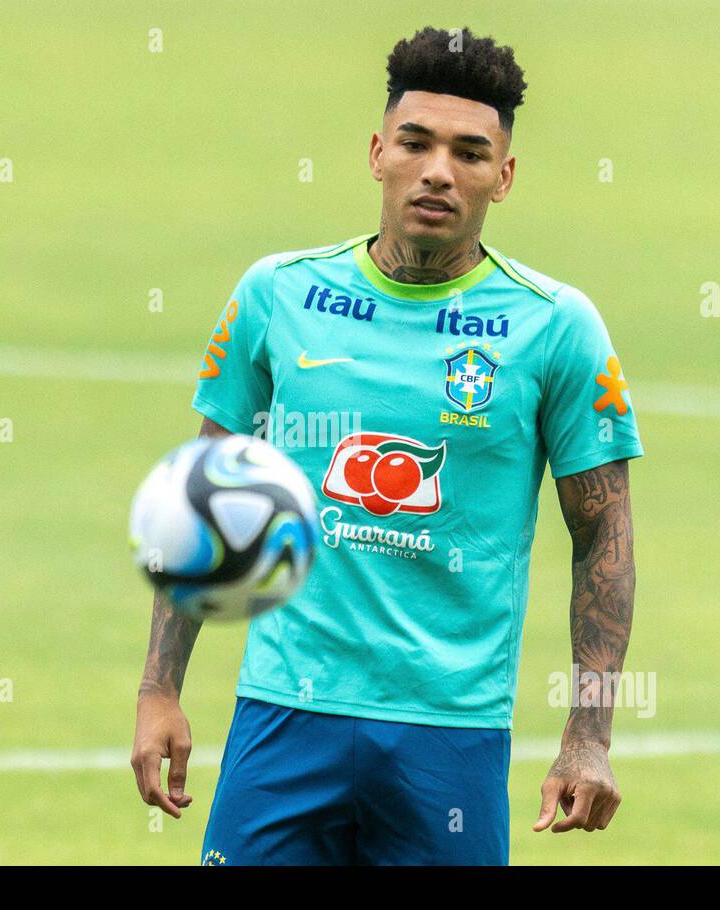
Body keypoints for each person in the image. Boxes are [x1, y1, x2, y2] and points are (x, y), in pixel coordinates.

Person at [131, 25, 643, 865]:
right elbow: (204, 498)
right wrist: (159, 690)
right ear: (378, 152)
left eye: (470, 153)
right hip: (283, 715)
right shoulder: (277, 296)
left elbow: (603, 539)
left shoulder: (556, 329)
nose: (439, 169)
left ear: (503, 176)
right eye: (417, 142)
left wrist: (589, 734)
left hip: (452, 733)